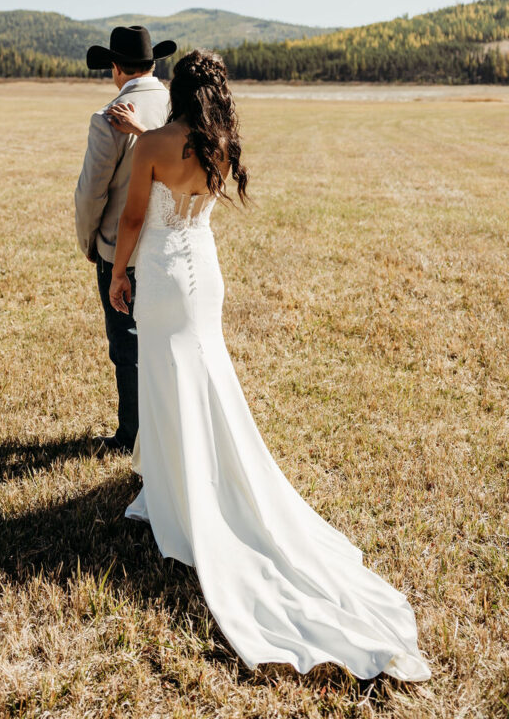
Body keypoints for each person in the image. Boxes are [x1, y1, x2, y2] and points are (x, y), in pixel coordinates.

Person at [107, 49, 431, 681]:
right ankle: (199, 475)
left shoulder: (154, 147)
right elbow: (180, 162)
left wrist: (120, 272)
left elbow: (135, 216)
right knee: (205, 375)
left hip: (166, 277)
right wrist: (144, 136)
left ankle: (179, 492)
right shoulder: (220, 145)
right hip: (205, 274)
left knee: (170, 379)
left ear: (178, 90)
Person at [74, 25, 176, 455]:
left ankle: (132, 436)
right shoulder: (178, 107)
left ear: (115, 68)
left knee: (127, 346)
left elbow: (91, 194)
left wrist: (89, 243)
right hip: (171, 248)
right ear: (153, 64)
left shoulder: (109, 118)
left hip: (123, 252)